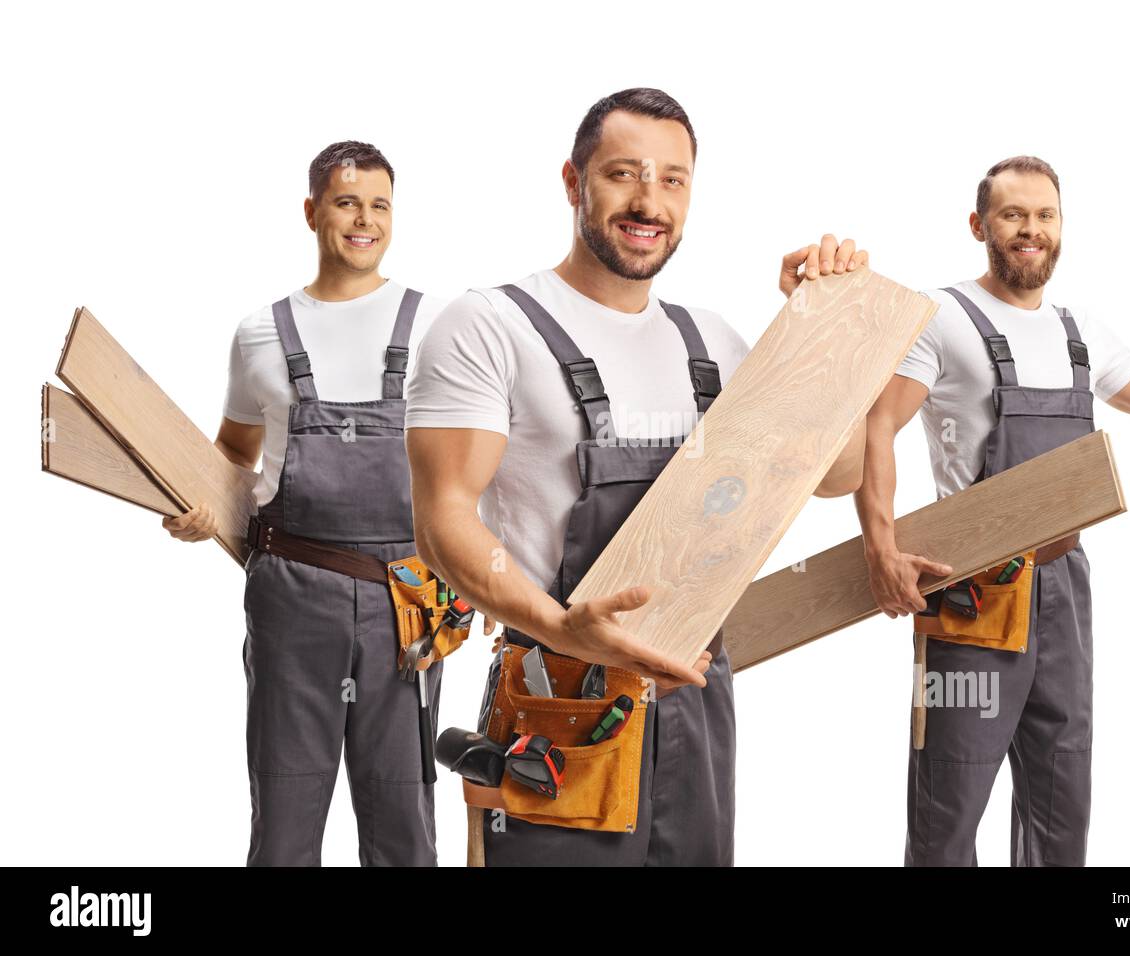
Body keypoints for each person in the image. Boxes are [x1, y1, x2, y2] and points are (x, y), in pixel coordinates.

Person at [405, 88, 868, 865]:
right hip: (556, 704)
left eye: (673, 180)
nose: (649, 200)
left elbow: (837, 474)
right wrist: (559, 627)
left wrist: (826, 331)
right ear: (573, 180)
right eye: (624, 174)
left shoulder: (712, 343)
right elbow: (443, 515)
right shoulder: (489, 325)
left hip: (694, 698)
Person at [859, 155, 1130, 866]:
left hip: (1064, 588)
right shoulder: (945, 317)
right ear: (979, 224)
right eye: (1013, 215)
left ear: (1060, 226)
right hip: (970, 593)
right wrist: (881, 547)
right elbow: (876, 426)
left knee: (1061, 795)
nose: (1030, 230)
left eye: (1044, 216)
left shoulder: (1082, 333)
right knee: (948, 807)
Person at [164, 141, 450, 865]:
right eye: (348, 202)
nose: (365, 220)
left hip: (406, 596)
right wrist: (201, 506)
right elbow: (232, 453)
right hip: (292, 594)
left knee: (404, 818)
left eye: (380, 205)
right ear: (312, 211)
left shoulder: (435, 327)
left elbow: (467, 467)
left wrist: (471, 580)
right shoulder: (260, 332)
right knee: (285, 813)